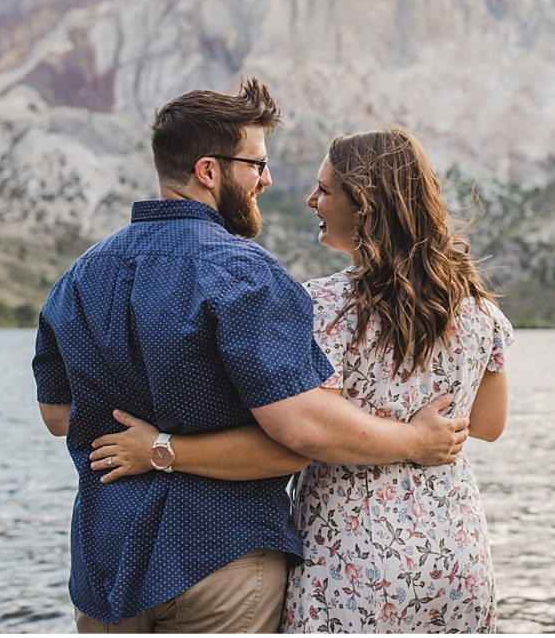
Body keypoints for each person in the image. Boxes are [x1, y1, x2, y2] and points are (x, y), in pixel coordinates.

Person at [32, 79, 471, 633]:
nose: (266, 180)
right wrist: (415, 440)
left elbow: (58, 416)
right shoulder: (244, 272)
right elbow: (298, 434)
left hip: (108, 569)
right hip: (222, 560)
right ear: (209, 171)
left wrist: (150, 427)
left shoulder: (77, 278)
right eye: (256, 164)